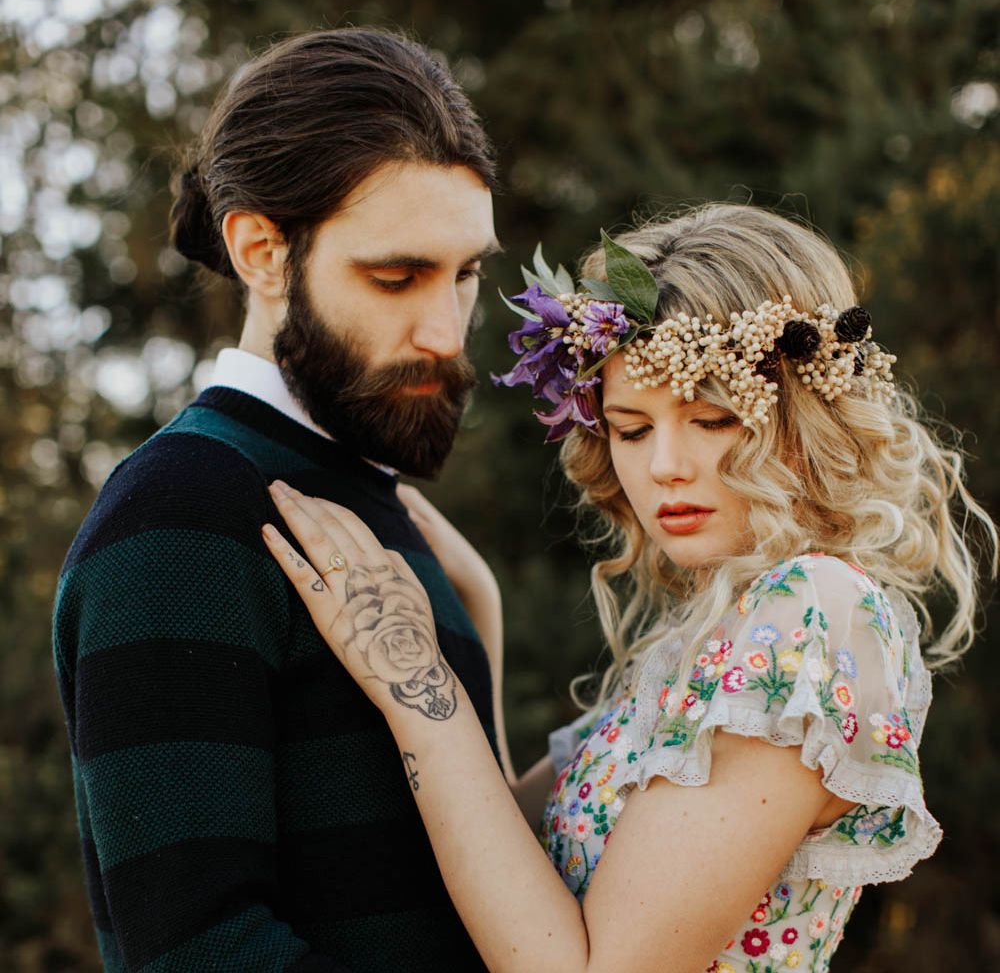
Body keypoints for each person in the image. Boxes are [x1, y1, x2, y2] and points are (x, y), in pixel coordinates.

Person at [262, 203, 997, 972]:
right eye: (632, 428)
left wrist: (415, 682)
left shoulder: (810, 610)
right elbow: (513, 860)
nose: (664, 466)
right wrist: (476, 608)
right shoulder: (723, 630)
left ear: (802, 413)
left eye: (710, 418)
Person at [52, 27, 508, 972]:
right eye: (397, 276)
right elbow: (199, 952)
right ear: (263, 250)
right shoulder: (182, 511)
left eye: (466, 274)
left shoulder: (368, 493)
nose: (443, 329)